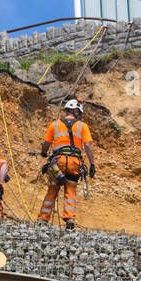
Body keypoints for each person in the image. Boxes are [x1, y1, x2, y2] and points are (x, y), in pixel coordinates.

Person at [37, 99, 95, 231]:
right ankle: (69, 220)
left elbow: (46, 143)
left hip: (58, 162)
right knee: (70, 190)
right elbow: (87, 145)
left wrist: (43, 153)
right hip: (74, 162)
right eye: (79, 112)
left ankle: (42, 220)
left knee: (52, 189)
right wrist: (92, 164)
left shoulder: (55, 125)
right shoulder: (82, 126)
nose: (80, 115)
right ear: (75, 111)